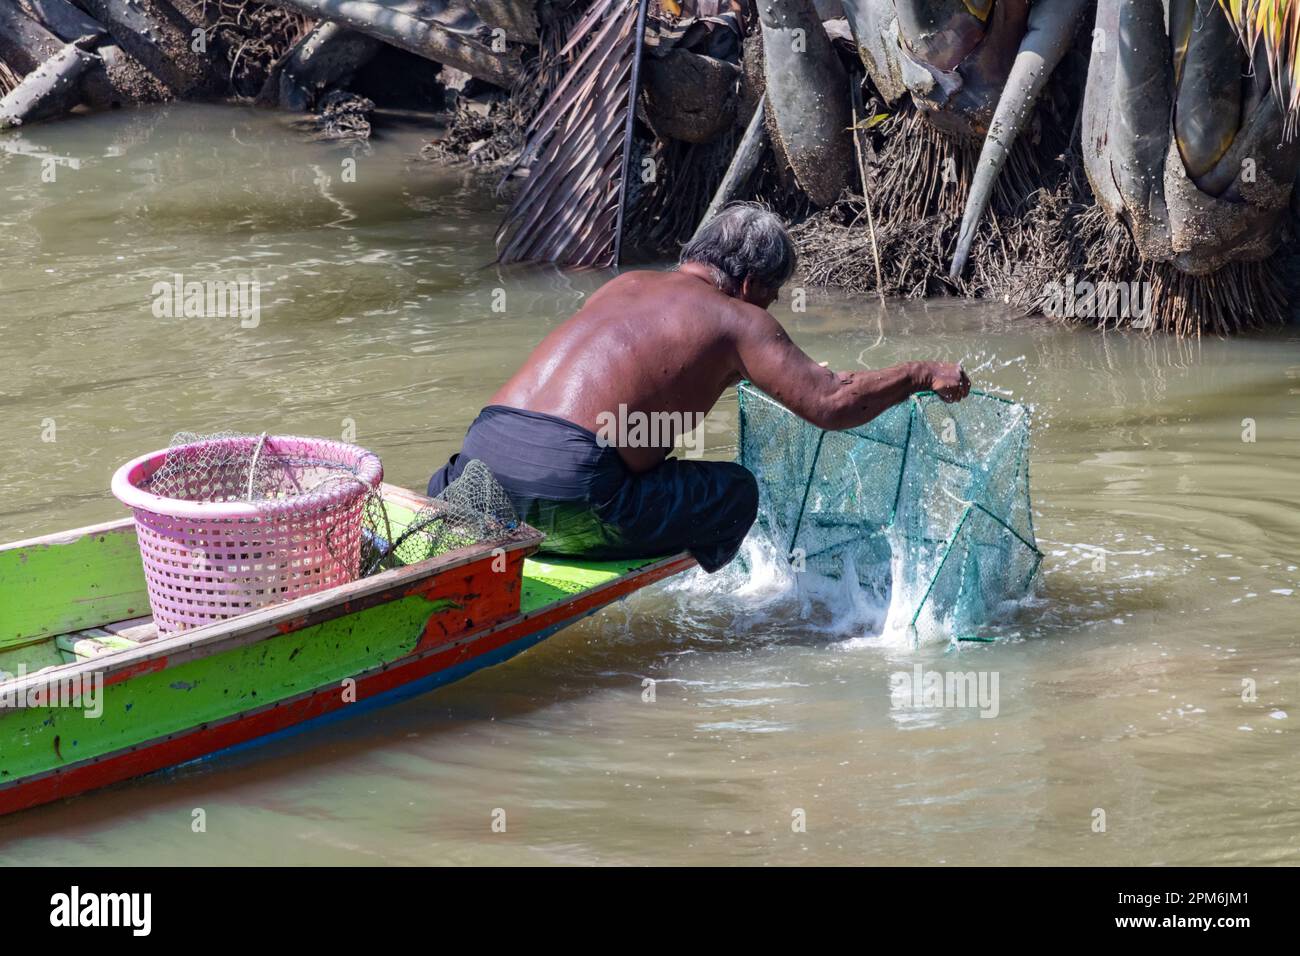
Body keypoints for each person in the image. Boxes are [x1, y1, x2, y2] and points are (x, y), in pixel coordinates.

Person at [429, 203, 970, 572]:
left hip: (477, 463)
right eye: (772, 296)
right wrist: (921, 373)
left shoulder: (627, 283)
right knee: (735, 494)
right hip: (572, 487)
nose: (770, 308)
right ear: (751, 284)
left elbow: (643, 375)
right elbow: (833, 401)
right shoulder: (739, 319)